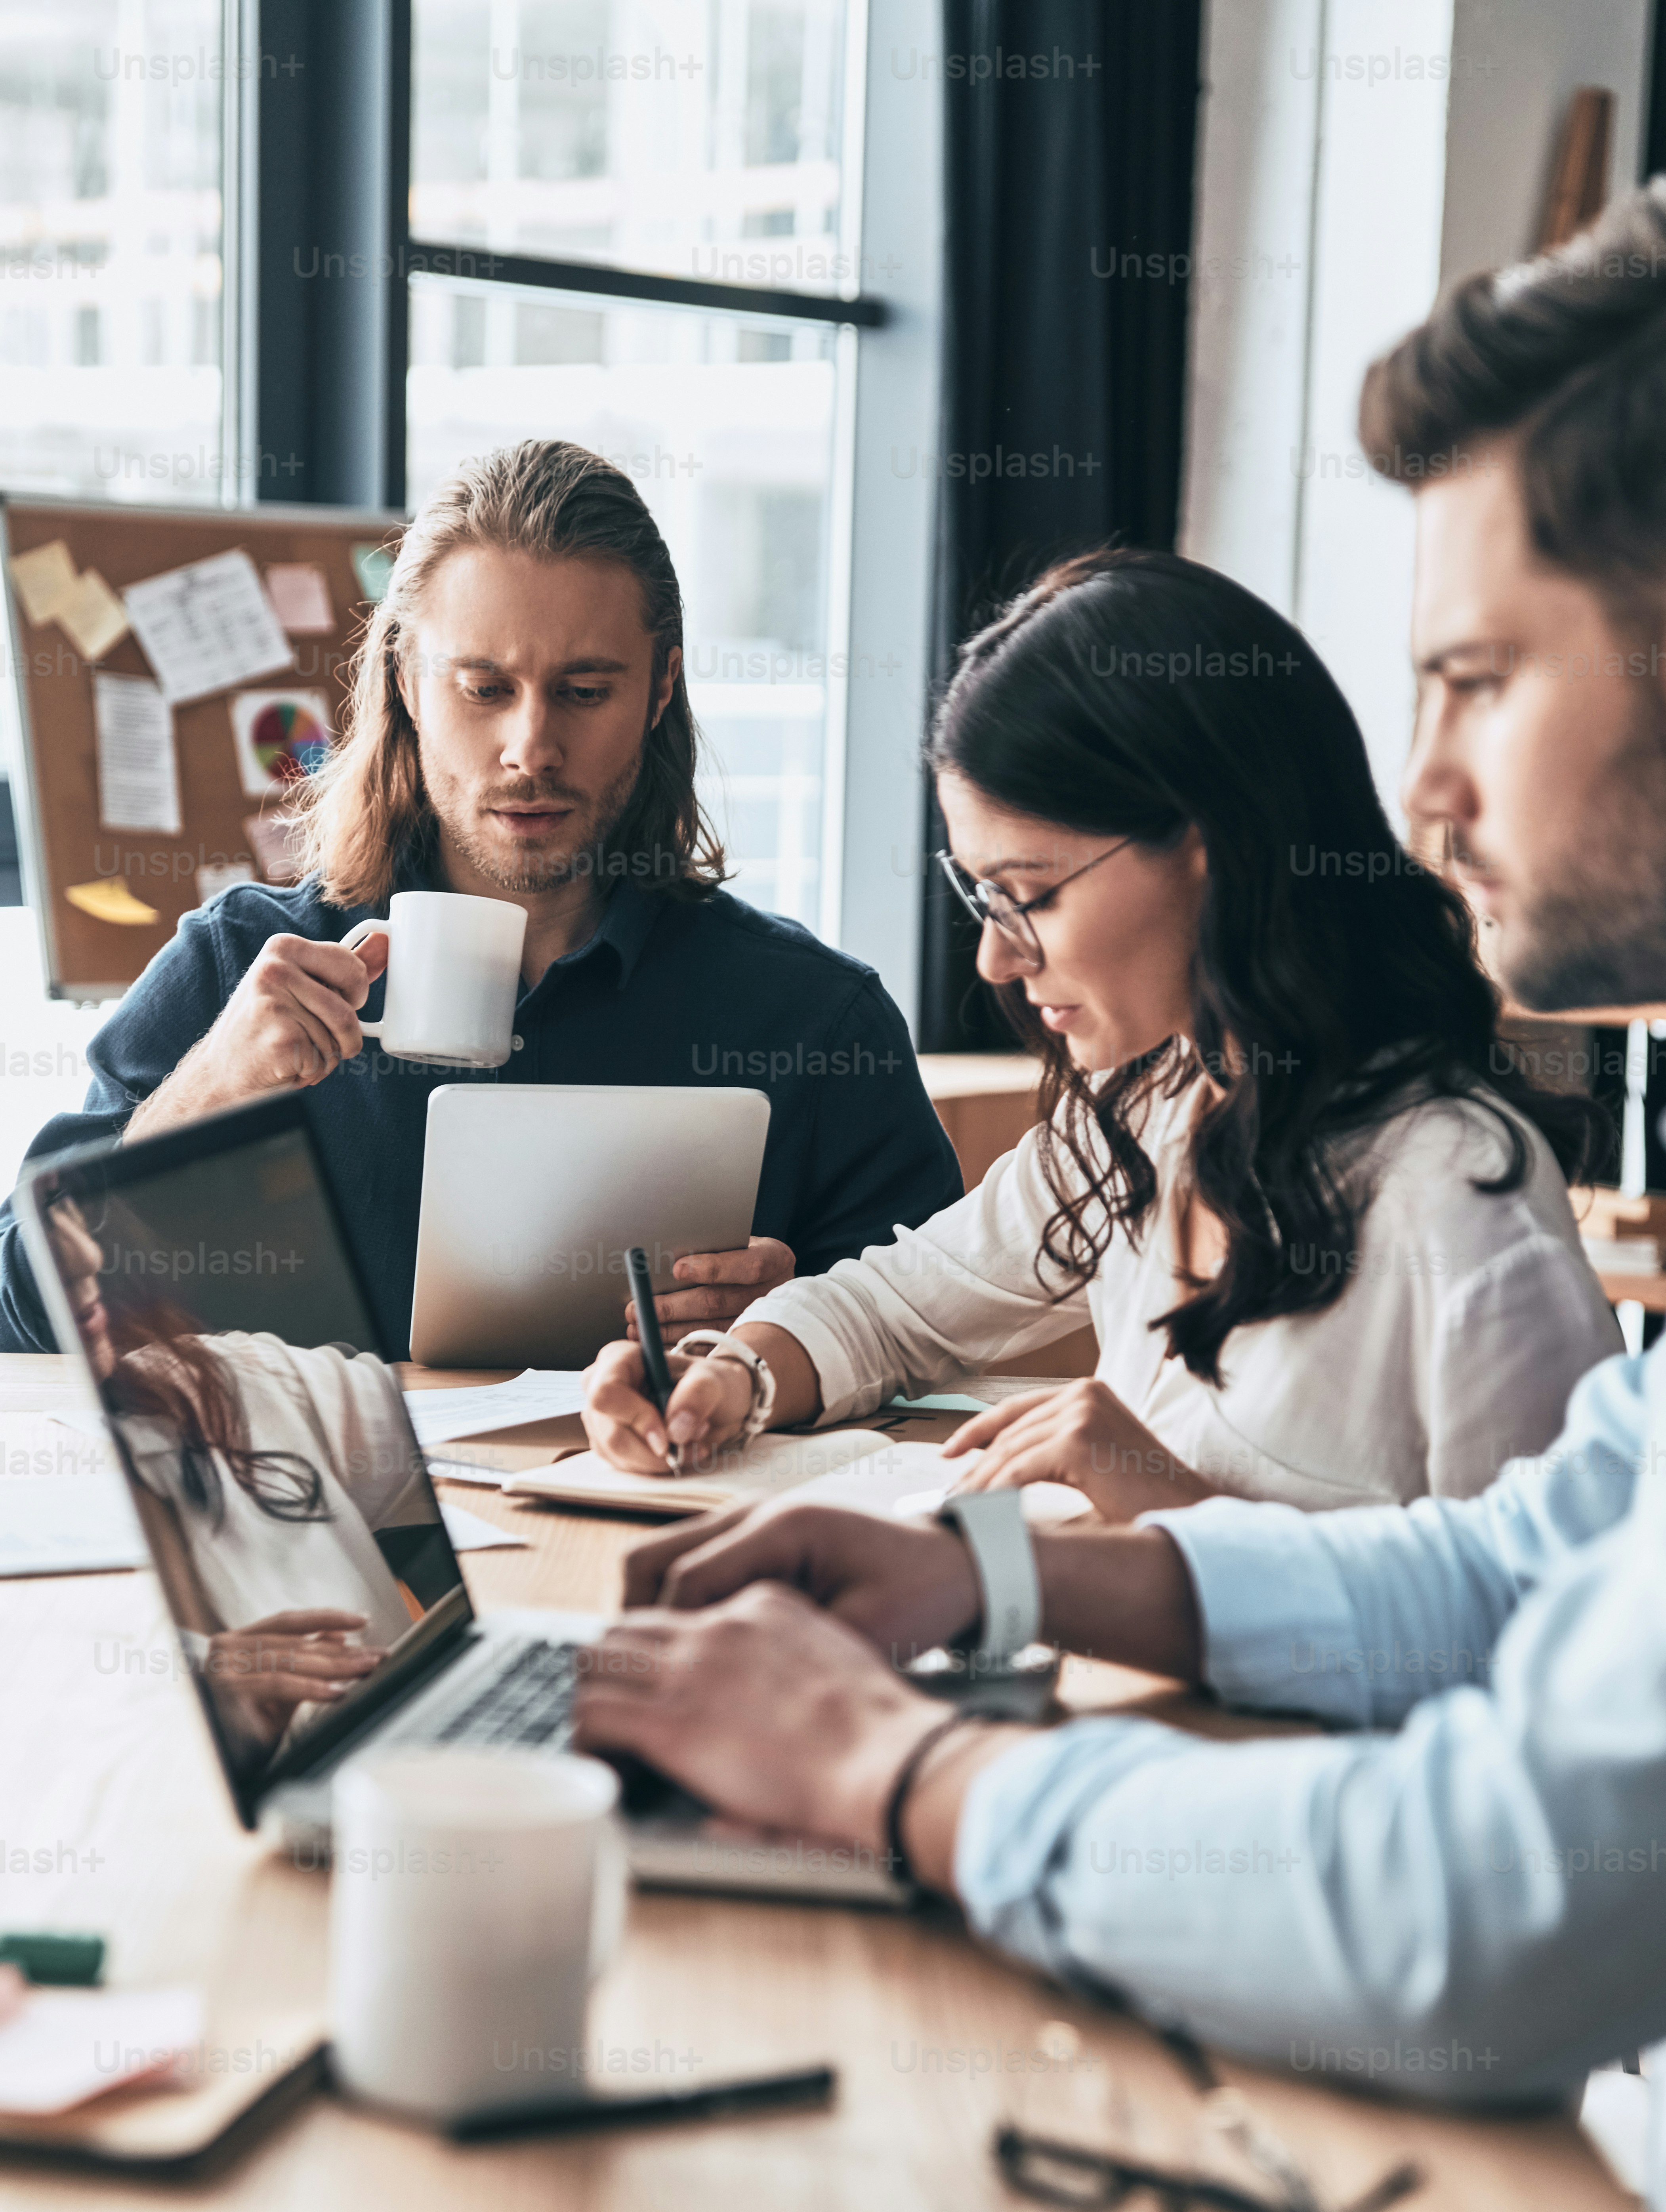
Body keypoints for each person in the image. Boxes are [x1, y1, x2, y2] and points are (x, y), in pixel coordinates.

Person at [572, 165, 1666, 2212]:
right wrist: (1004, 1588)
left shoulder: (1459, 1182)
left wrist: (906, 1778)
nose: (1416, 794)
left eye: (1475, 682)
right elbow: (1529, 1568)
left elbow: (1499, 1898)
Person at [584, 549, 1617, 1520]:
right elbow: (900, 1305)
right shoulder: (1152, 1103)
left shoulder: (1461, 1208)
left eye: (1029, 894)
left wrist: (1165, 1495)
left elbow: (1549, 1634)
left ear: (1211, 851)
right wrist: (734, 1374)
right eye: (982, 896)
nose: (996, 959)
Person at [0, 441, 960, 1359]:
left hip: (646, 1526)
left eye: (584, 691)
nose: (530, 748)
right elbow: (23, 1314)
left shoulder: (809, 1020)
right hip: (338, 1525)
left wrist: (797, 1332)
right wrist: (203, 1093)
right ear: (409, 682)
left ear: (661, 686)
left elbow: (934, 1351)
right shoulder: (237, 968)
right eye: (484, 688)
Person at [42, 1193, 424, 1772]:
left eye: (58, 1205)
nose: (82, 1253)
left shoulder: (212, 1380)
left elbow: (462, 1426)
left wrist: (601, 1381)